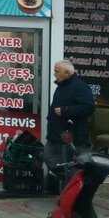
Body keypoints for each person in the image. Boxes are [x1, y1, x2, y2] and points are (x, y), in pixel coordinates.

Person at [43, 60, 96, 191]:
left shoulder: (79, 87)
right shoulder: (62, 85)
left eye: (57, 71)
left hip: (69, 135)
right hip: (55, 133)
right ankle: (73, 182)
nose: (54, 74)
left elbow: (89, 107)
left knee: (67, 165)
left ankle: (69, 193)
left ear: (67, 73)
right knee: (48, 157)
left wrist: (66, 110)